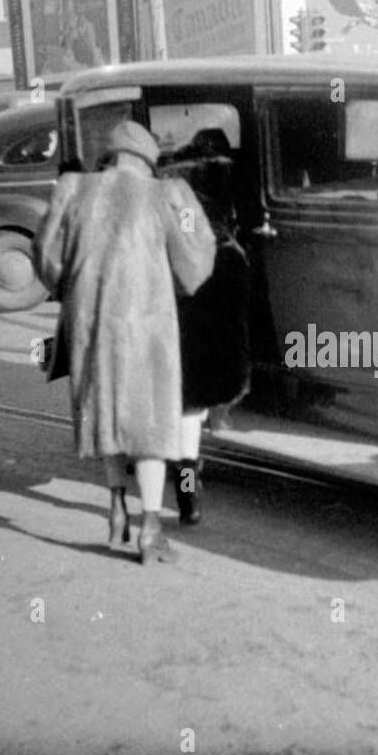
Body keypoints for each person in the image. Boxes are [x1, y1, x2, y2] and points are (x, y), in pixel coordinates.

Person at [33, 120, 215, 563]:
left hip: (92, 324)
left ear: (110, 156)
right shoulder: (168, 195)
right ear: (149, 160)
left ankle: (116, 506)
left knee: (106, 415)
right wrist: (169, 282)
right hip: (146, 327)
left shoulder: (73, 190)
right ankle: (150, 529)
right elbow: (197, 255)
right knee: (148, 426)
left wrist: (74, 289)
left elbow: (45, 255)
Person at [166, 129, 252, 526]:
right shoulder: (230, 253)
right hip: (207, 355)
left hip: (172, 346)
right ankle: (187, 494)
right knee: (191, 421)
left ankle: (185, 490)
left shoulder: (174, 227)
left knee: (183, 420)